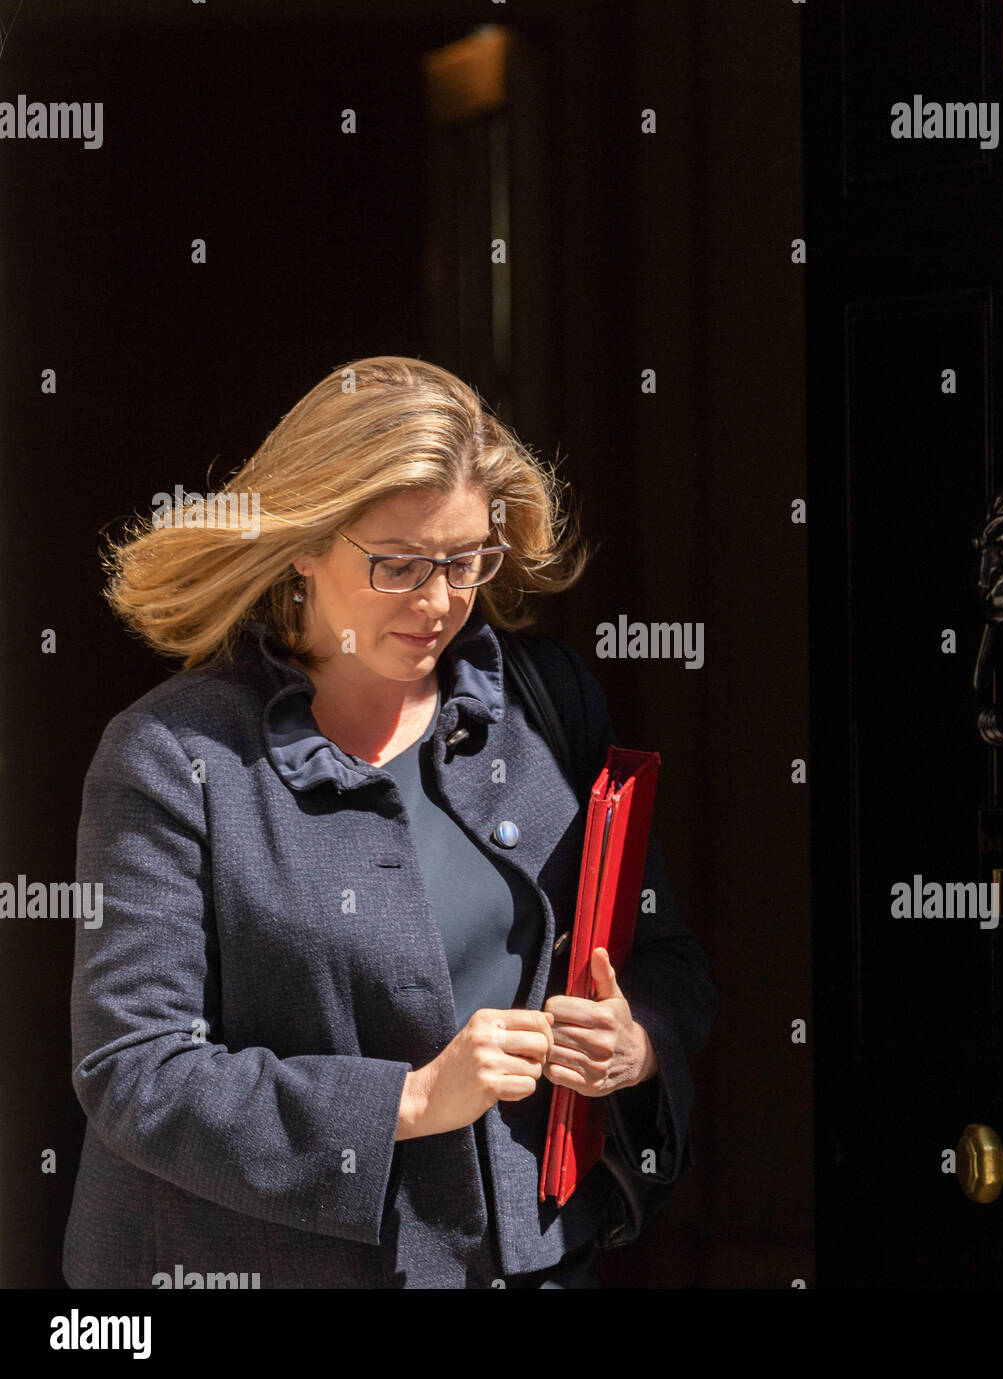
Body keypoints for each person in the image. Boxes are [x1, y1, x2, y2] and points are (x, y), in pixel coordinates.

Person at [62, 355, 716, 1288]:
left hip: (533, 1264)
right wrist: (408, 1101)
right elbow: (133, 1068)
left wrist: (634, 1039)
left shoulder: (548, 705)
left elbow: (669, 962)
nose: (441, 600)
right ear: (302, 542)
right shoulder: (171, 755)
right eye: (399, 565)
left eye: (465, 560)